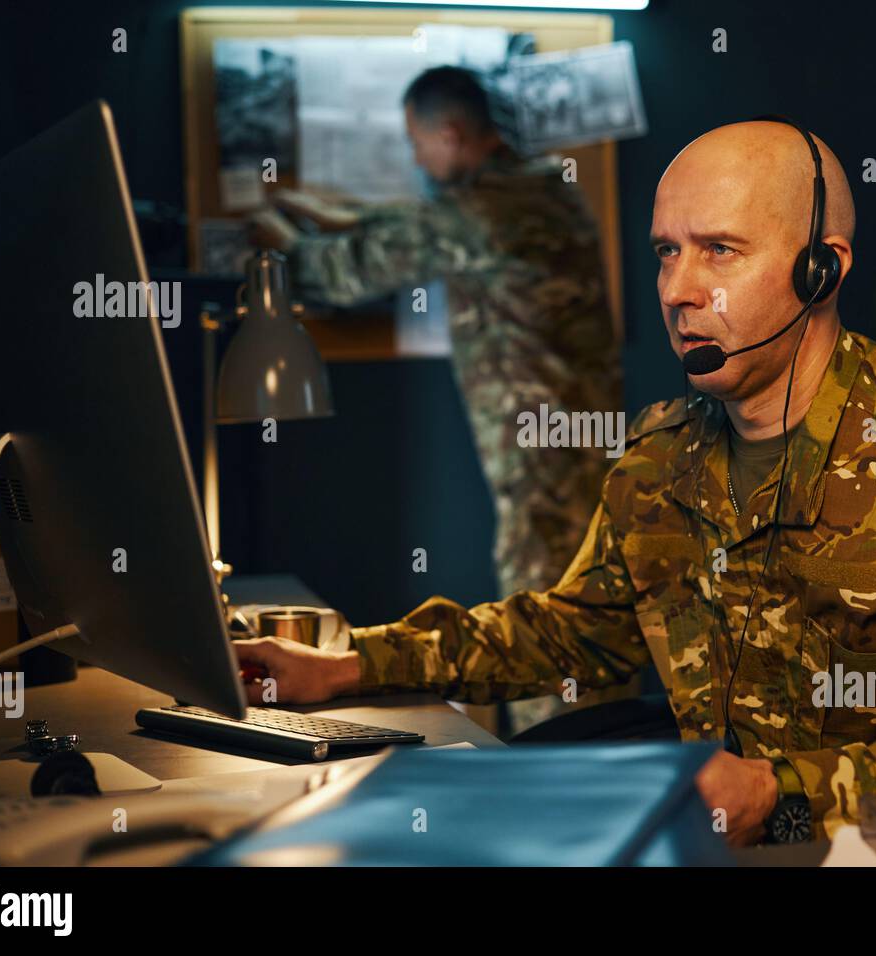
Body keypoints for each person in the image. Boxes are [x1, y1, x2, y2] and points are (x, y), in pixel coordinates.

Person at [238, 119, 876, 847]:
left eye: (720, 252)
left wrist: (782, 791)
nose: (678, 288)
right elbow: (573, 633)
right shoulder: (664, 455)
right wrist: (353, 664)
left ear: (823, 269)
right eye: (665, 252)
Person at [251, 65, 625, 735]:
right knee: (569, 614)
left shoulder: (483, 212)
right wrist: (322, 212)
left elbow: (345, 271)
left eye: (417, 143)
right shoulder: (532, 190)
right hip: (574, 450)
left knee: (550, 627)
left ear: (451, 135)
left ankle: (564, 777)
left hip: (547, 469)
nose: (416, 158)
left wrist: (268, 237)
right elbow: (410, 223)